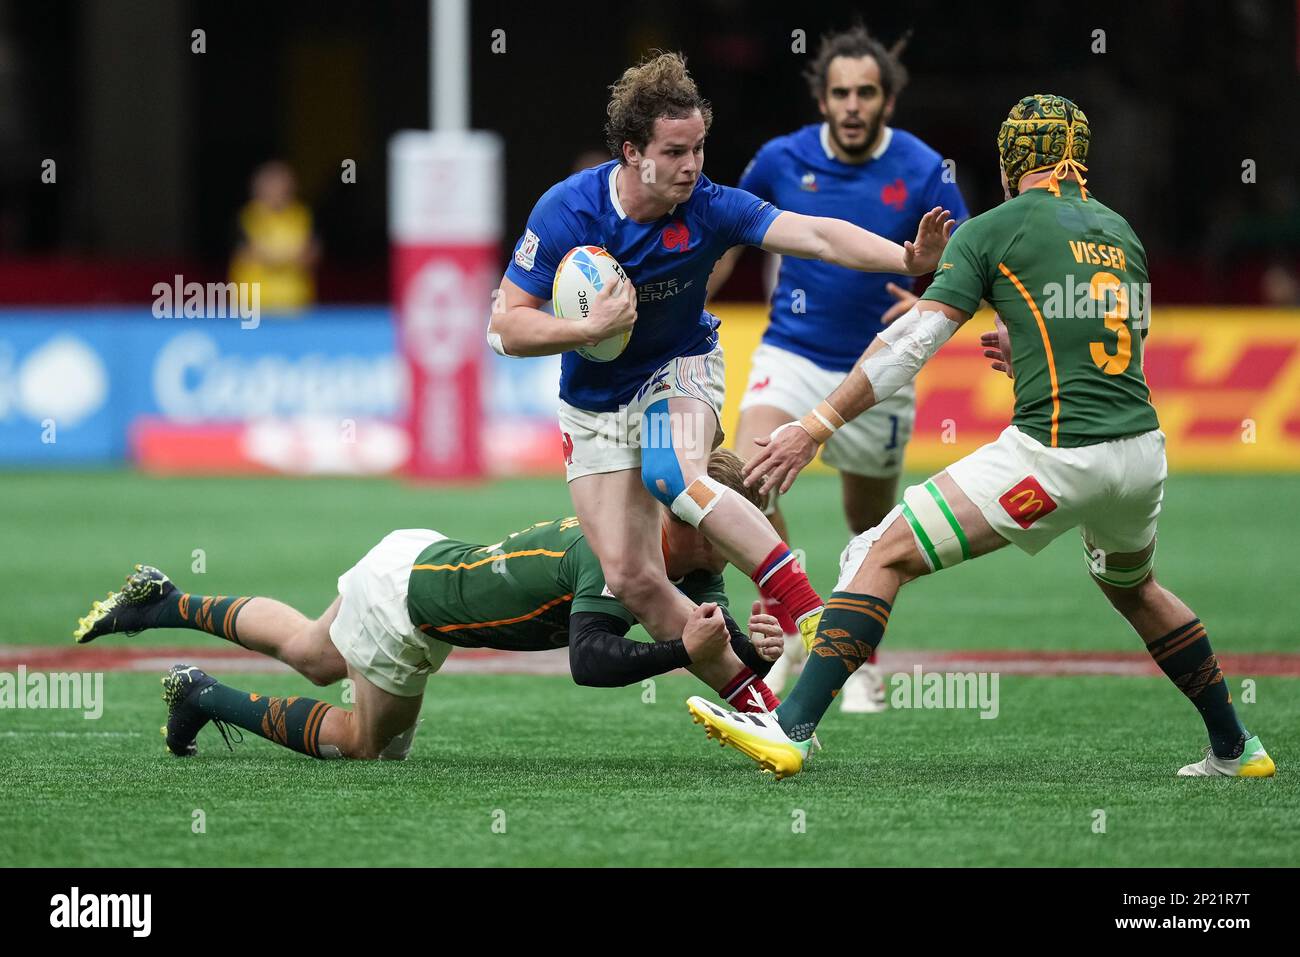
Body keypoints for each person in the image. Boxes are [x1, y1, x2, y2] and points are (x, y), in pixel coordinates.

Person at [686, 94, 1276, 780]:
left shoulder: (994, 227)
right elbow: (1112, 334)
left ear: (1012, 158)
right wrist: (1026, 336)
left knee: (880, 550)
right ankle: (1237, 749)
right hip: (1141, 454)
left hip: (1057, 455)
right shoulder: (1120, 232)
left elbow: (910, 343)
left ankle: (790, 728)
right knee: (1135, 585)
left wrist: (815, 426)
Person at [487, 52, 952, 719]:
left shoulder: (709, 207)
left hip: (682, 365)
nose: (692, 165)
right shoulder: (569, 212)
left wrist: (906, 258)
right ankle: (763, 709)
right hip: (593, 404)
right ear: (631, 153)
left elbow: (814, 234)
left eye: (700, 147)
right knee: (632, 577)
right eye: (675, 151)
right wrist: (587, 327)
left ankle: (810, 613)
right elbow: (504, 328)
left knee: (673, 471)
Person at [73, 450, 784, 761]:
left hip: (421, 559)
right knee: (363, 743)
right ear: (688, 518)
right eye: (728, 523)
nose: (741, 542)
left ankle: (162, 599)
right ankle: (201, 692)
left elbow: (711, 646)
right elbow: (592, 662)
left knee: (308, 653)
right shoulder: (623, 552)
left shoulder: (693, 558)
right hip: (410, 604)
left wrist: (759, 651)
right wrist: (680, 652)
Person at [706, 25, 969, 711]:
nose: (853, 105)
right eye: (841, 93)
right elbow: (729, 233)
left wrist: (928, 292)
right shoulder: (779, 159)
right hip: (789, 353)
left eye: (866, 93)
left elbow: (966, 259)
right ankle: (794, 626)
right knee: (748, 479)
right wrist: (690, 290)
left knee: (869, 532)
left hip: (878, 372)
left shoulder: (923, 168)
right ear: (822, 99)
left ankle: (863, 660)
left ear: (887, 99)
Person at [229, 160, 320, 311]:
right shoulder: (246, 217)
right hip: (253, 306)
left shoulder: (303, 216)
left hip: (295, 304)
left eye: (281, 184)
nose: (276, 190)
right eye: (271, 184)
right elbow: (249, 253)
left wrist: (271, 253)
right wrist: (289, 254)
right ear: (258, 187)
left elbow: (311, 254)